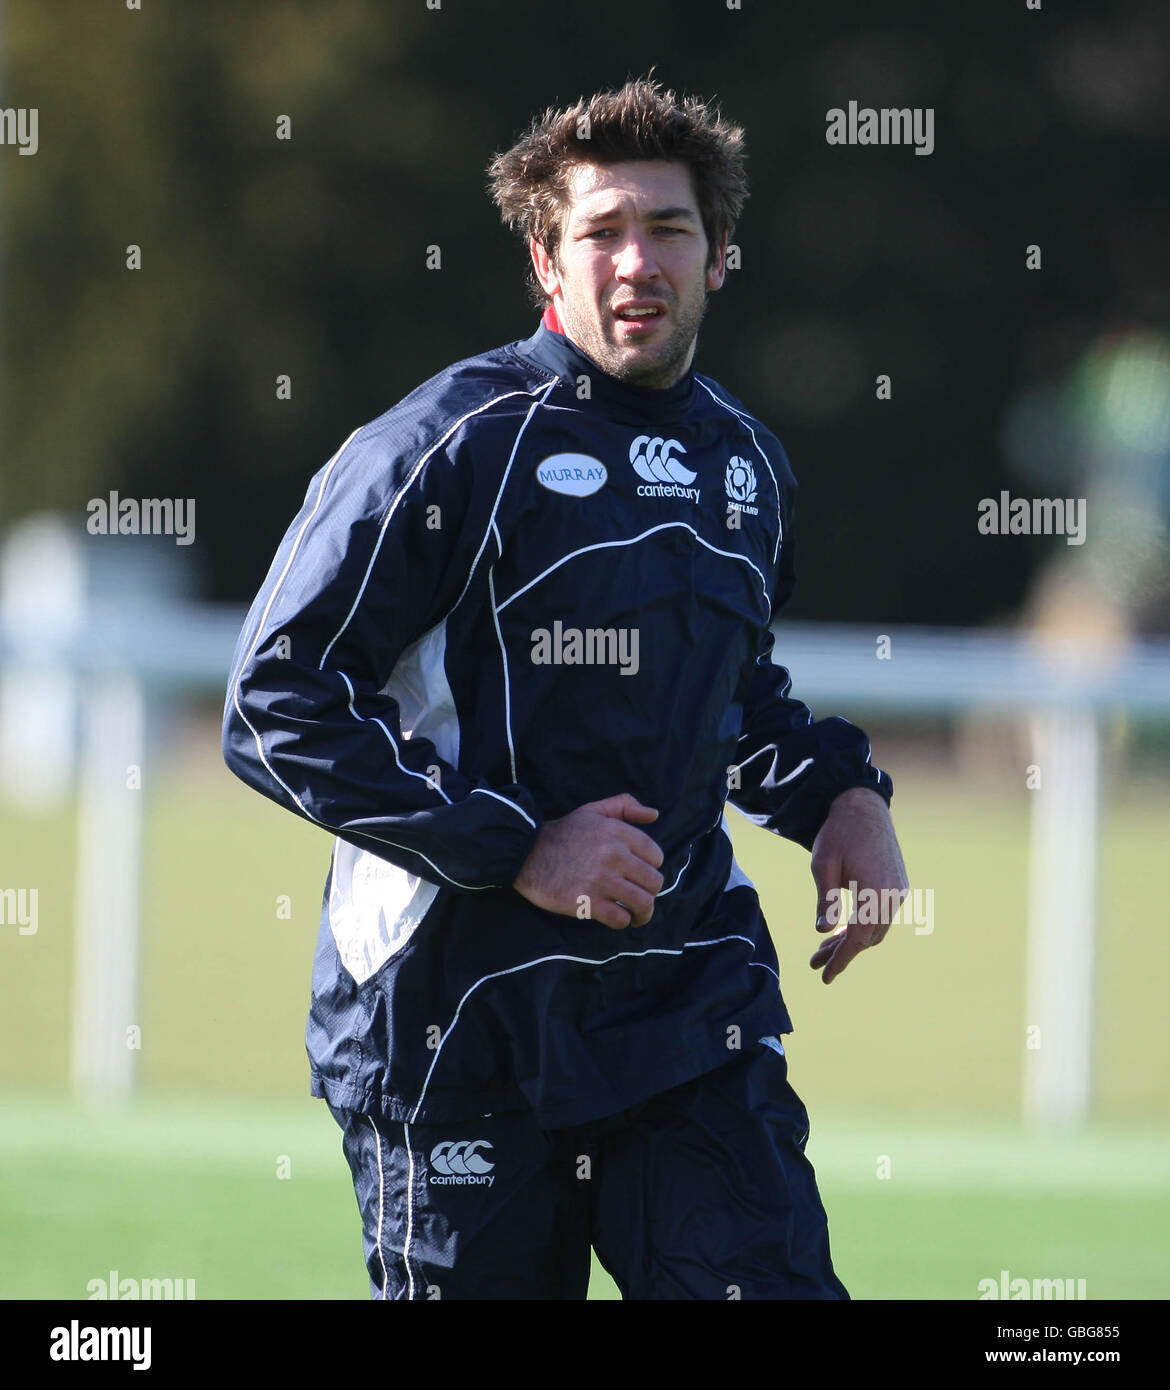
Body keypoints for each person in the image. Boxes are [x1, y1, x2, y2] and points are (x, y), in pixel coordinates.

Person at [222, 74, 909, 1300]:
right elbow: (275, 703)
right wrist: (520, 846)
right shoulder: (444, 446)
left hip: (680, 1008)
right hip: (454, 1027)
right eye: (601, 231)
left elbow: (729, 700)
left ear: (717, 258)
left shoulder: (747, 462)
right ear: (548, 257)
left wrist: (843, 800)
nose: (635, 260)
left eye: (669, 229)